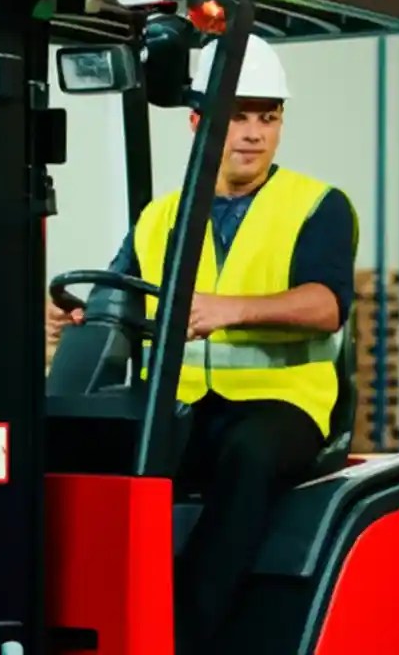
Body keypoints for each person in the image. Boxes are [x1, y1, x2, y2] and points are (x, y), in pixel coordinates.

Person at [48, 34, 358, 654]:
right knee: (76, 441)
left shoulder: (316, 206)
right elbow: (119, 296)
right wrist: (76, 315)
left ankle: (184, 635)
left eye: (267, 118)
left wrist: (230, 312)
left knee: (246, 457)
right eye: (237, 117)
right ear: (198, 123)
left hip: (283, 406)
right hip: (186, 403)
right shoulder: (161, 216)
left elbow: (326, 306)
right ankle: (69, 610)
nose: (252, 134)